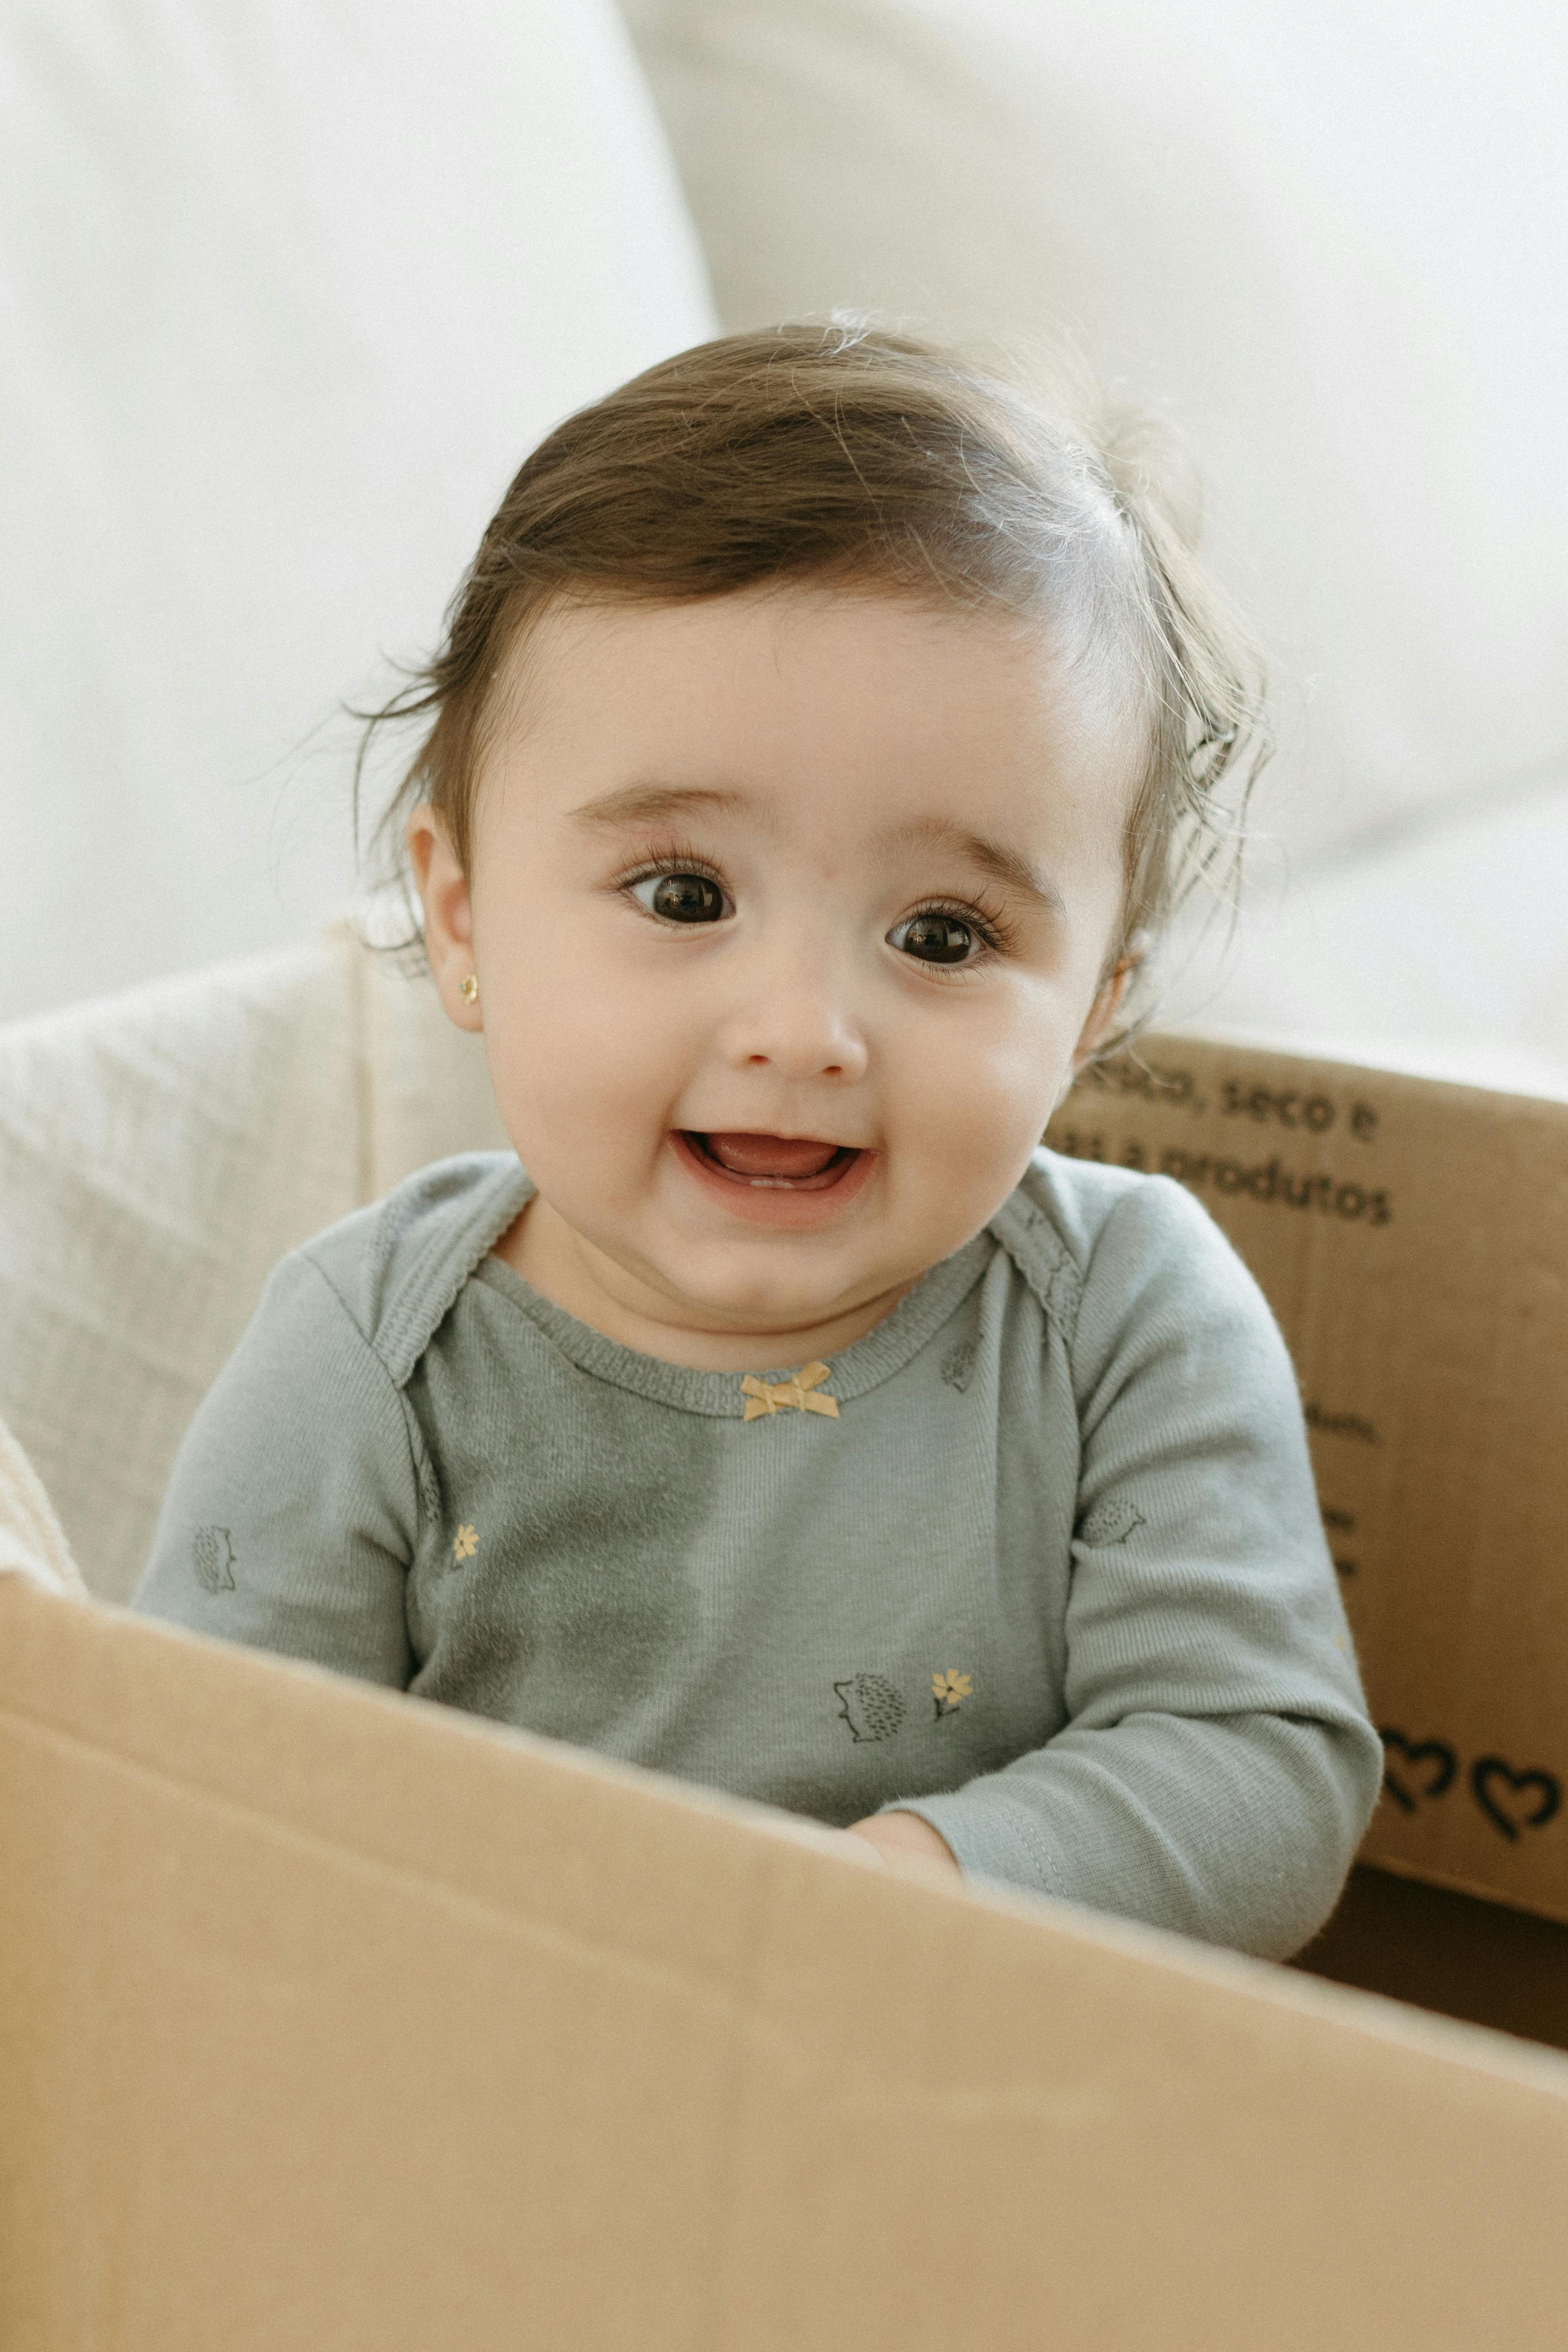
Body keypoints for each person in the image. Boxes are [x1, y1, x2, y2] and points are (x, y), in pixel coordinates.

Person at [134, 321, 1381, 1957]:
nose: (801, 1029)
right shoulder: (372, 1356)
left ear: (1093, 1004)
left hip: (960, 2069)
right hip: (484, 2060)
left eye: (941, 934)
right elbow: (188, 1805)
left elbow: (1260, 1763)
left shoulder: (1122, 1317)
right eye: (683, 895)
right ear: (460, 915)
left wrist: (872, 1907)